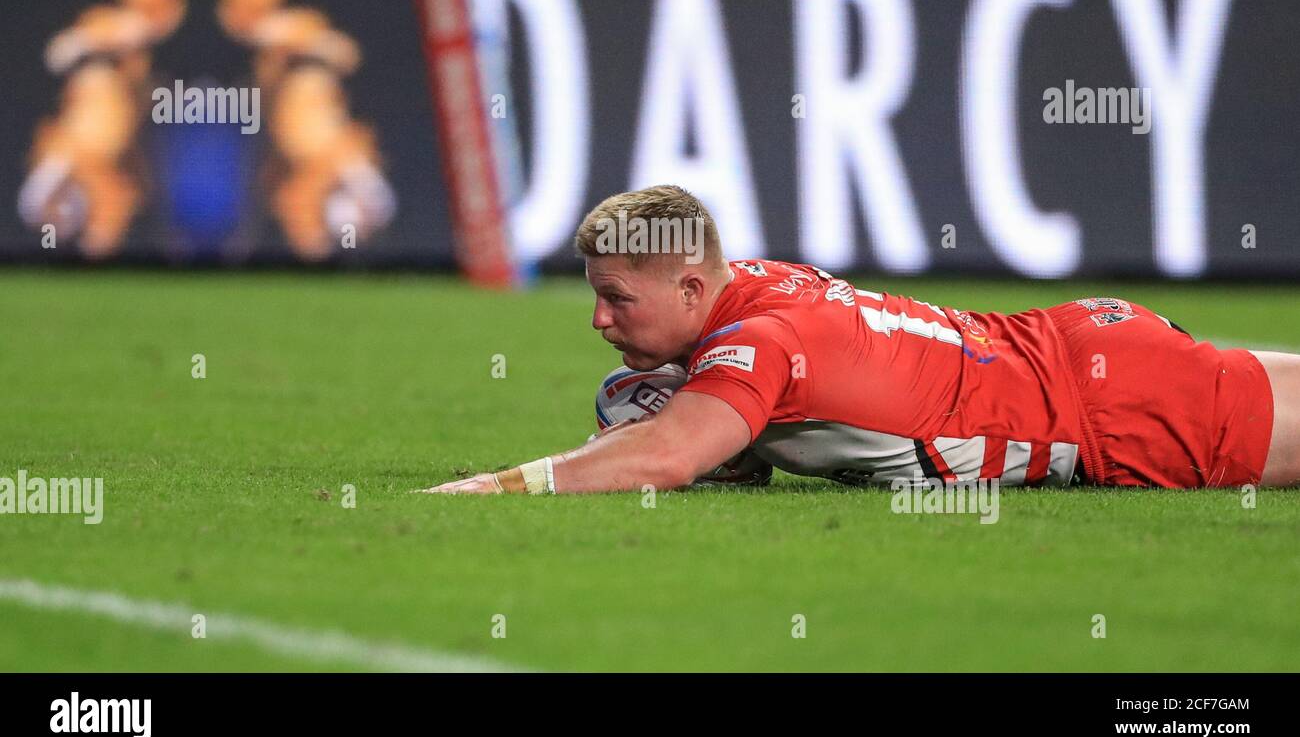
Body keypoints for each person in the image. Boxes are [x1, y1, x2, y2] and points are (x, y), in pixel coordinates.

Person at [419, 185, 1300, 495]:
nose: (599, 321)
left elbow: (664, 461)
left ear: (694, 287)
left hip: (1110, 411)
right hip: (1082, 338)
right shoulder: (764, 282)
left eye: (616, 299)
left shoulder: (756, 344)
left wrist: (491, 488)